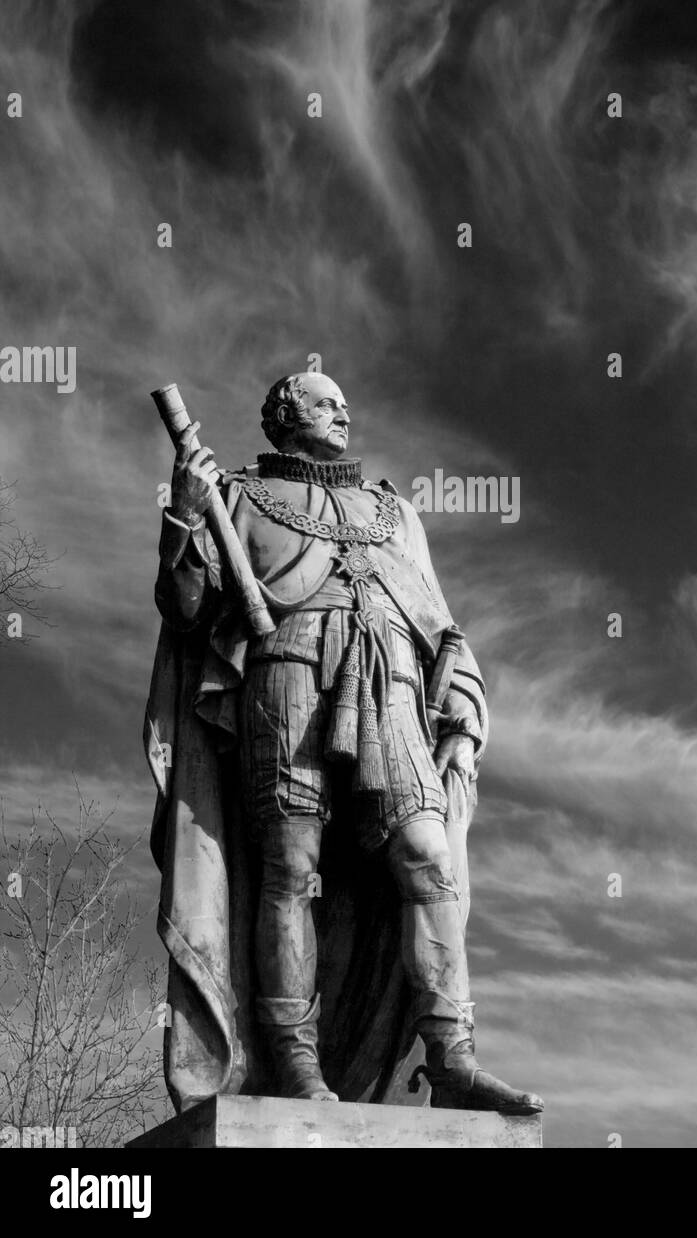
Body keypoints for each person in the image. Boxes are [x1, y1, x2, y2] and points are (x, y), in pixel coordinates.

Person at [147, 371, 542, 1116]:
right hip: (284, 674)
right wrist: (184, 518)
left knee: (425, 855)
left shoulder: (394, 513)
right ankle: (295, 1065)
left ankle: (452, 1058)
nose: (344, 412)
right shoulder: (234, 494)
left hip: (391, 685)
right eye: (326, 402)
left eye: (345, 402)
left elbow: (440, 624)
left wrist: (460, 717)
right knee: (290, 867)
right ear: (283, 415)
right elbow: (189, 612)